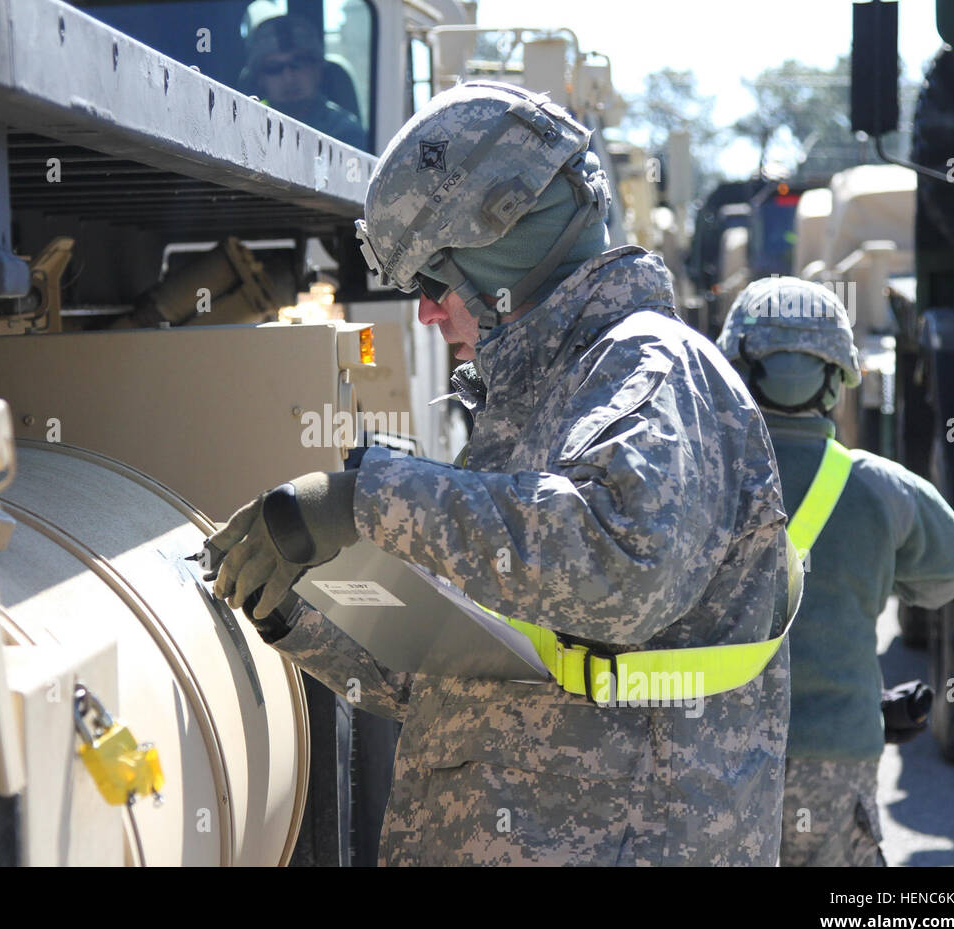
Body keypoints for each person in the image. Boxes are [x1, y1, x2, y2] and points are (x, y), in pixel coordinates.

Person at [209, 81, 794, 865]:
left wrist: (365, 499)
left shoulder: (651, 368)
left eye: (433, 279)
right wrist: (288, 613)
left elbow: (617, 567)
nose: (424, 313)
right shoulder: (542, 394)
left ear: (508, 240)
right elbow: (459, 671)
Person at [716, 276, 954, 867]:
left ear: (735, 369)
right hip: (833, 756)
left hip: (707, 756)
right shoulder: (882, 488)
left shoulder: (694, 479)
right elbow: (951, 570)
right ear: (838, 380)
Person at [239, 15, 365, 148]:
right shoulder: (248, 128)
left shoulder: (345, 132)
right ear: (260, 78)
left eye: (298, 63)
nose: (288, 78)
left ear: (317, 69)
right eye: (274, 68)